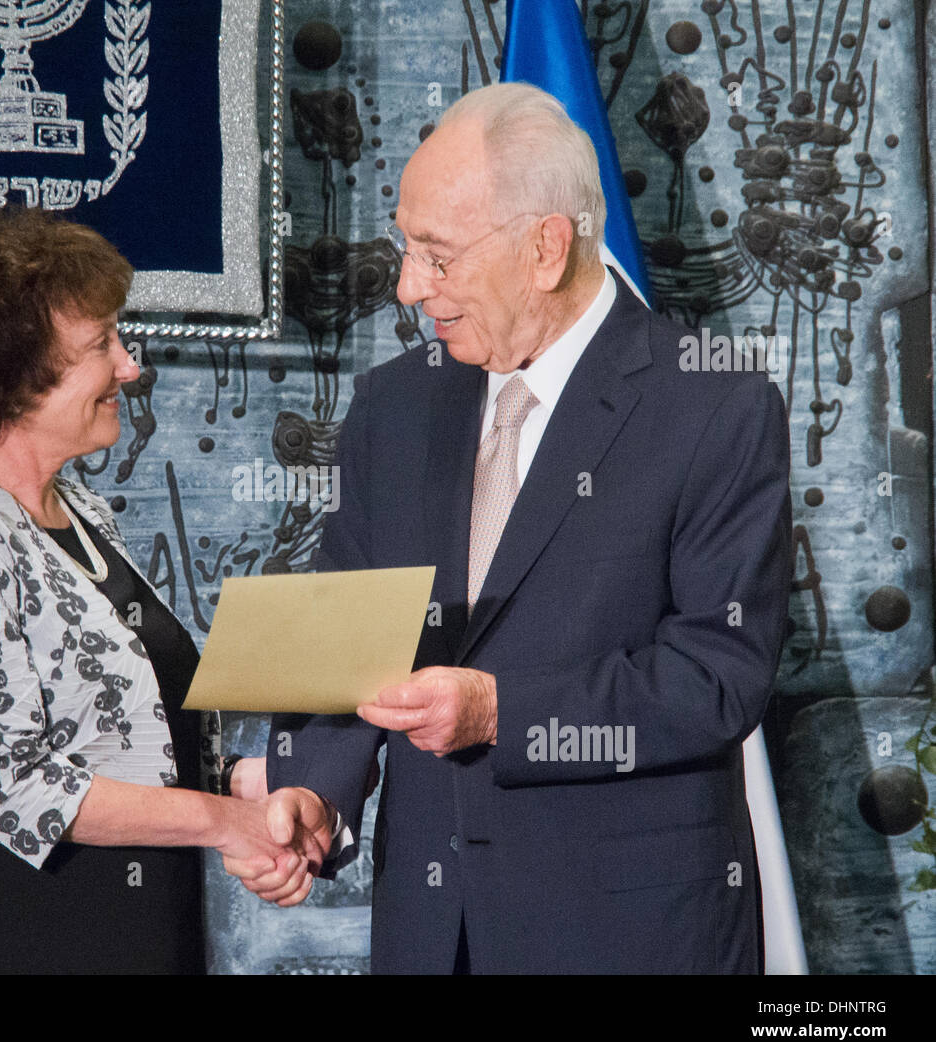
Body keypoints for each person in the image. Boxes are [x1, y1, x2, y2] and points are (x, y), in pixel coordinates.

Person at [227, 82, 792, 974]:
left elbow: (718, 678)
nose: (410, 288)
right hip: (428, 936)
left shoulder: (714, 408)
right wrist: (314, 792)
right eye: (406, 250)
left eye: (437, 256)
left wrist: (501, 711)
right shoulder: (393, 406)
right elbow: (345, 641)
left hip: (632, 938)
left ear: (545, 248)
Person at [0, 208, 316, 974]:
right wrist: (225, 822)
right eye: (101, 344)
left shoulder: (83, 514)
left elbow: (133, 741)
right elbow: (11, 782)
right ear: (13, 379)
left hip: (143, 935)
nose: (130, 365)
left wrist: (262, 792)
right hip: (12, 941)